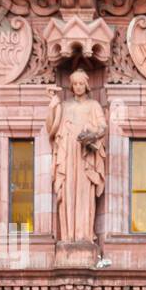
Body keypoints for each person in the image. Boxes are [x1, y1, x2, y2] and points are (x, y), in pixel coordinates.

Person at [47, 68, 107, 243]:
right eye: (75, 84)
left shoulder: (94, 105)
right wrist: (52, 106)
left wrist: (92, 134)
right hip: (67, 155)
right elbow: (52, 128)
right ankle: (68, 236)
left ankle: (84, 235)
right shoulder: (64, 106)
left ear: (86, 85)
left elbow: (103, 127)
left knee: (84, 193)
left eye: (81, 83)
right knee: (67, 192)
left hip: (84, 153)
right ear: (71, 86)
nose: (78, 87)